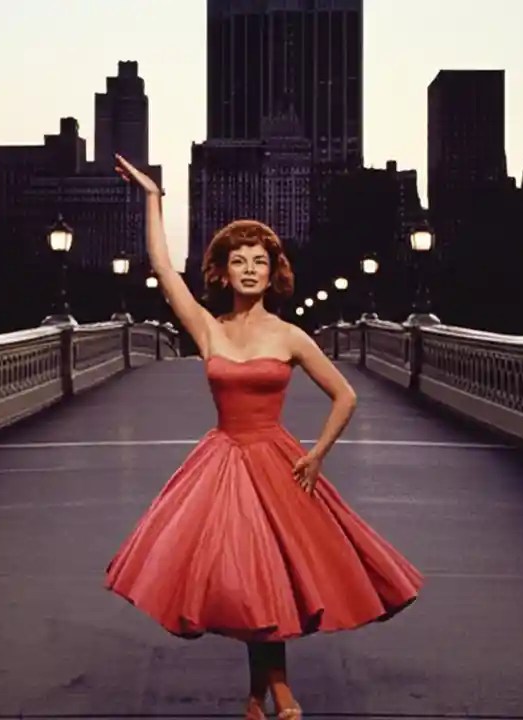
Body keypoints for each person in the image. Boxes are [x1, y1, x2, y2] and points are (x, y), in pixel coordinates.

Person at [104, 154, 423, 720]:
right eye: (238, 261)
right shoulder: (208, 329)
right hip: (222, 464)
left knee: (269, 579)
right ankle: (275, 691)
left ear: (272, 272)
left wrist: (316, 455)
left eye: (259, 261)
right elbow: (164, 268)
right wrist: (153, 197)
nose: (249, 270)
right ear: (222, 273)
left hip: (278, 463)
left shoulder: (290, 335)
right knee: (248, 581)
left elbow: (345, 396)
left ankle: (262, 695)